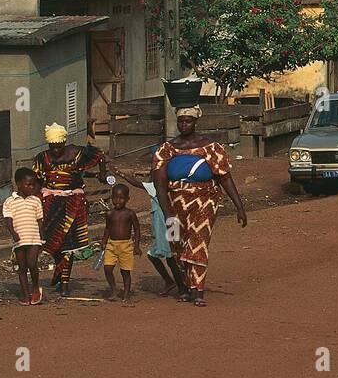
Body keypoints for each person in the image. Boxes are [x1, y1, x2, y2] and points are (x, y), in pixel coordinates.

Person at [151, 106, 247, 307]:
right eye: (181, 121)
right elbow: (160, 185)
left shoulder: (211, 147)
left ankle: (198, 291)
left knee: (198, 241)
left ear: (196, 122)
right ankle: (185, 287)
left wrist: (239, 206)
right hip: (175, 204)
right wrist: (167, 212)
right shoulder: (166, 149)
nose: (184, 124)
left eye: (188, 121)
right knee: (176, 243)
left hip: (205, 200)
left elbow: (225, 178)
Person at [34, 122, 107, 297]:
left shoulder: (77, 152)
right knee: (53, 241)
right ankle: (60, 275)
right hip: (50, 204)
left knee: (68, 243)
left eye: (59, 146)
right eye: (53, 147)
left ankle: (65, 283)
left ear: (64, 143)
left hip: (73, 203)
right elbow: (36, 180)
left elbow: (100, 155)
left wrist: (102, 174)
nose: (56, 150)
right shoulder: (42, 158)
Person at [3, 168, 45, 305]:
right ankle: (25, 295)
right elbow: (8, 221)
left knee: (32, 264)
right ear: (19, 184)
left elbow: (40, 221)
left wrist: (42, 239)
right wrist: (14, 234)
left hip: (34, 239)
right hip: (19, 240)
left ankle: (36, 288)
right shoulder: (10, 201)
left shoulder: (36, 201)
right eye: (28, 184)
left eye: (33, 184)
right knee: (22, 268)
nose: (32, 187)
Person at [101, 183, 140, 301]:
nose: (117, 200)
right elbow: (107, 228)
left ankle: (126, 293)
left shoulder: (130, 213)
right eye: (115, 198)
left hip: (126, 245)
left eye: (121, 198)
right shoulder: (109, 214)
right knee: (107, 268)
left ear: (127, 199)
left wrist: (136, 246)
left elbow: (137, 229)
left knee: (125, 271)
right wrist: (104, 241)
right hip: (111, 245)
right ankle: (114, 289)